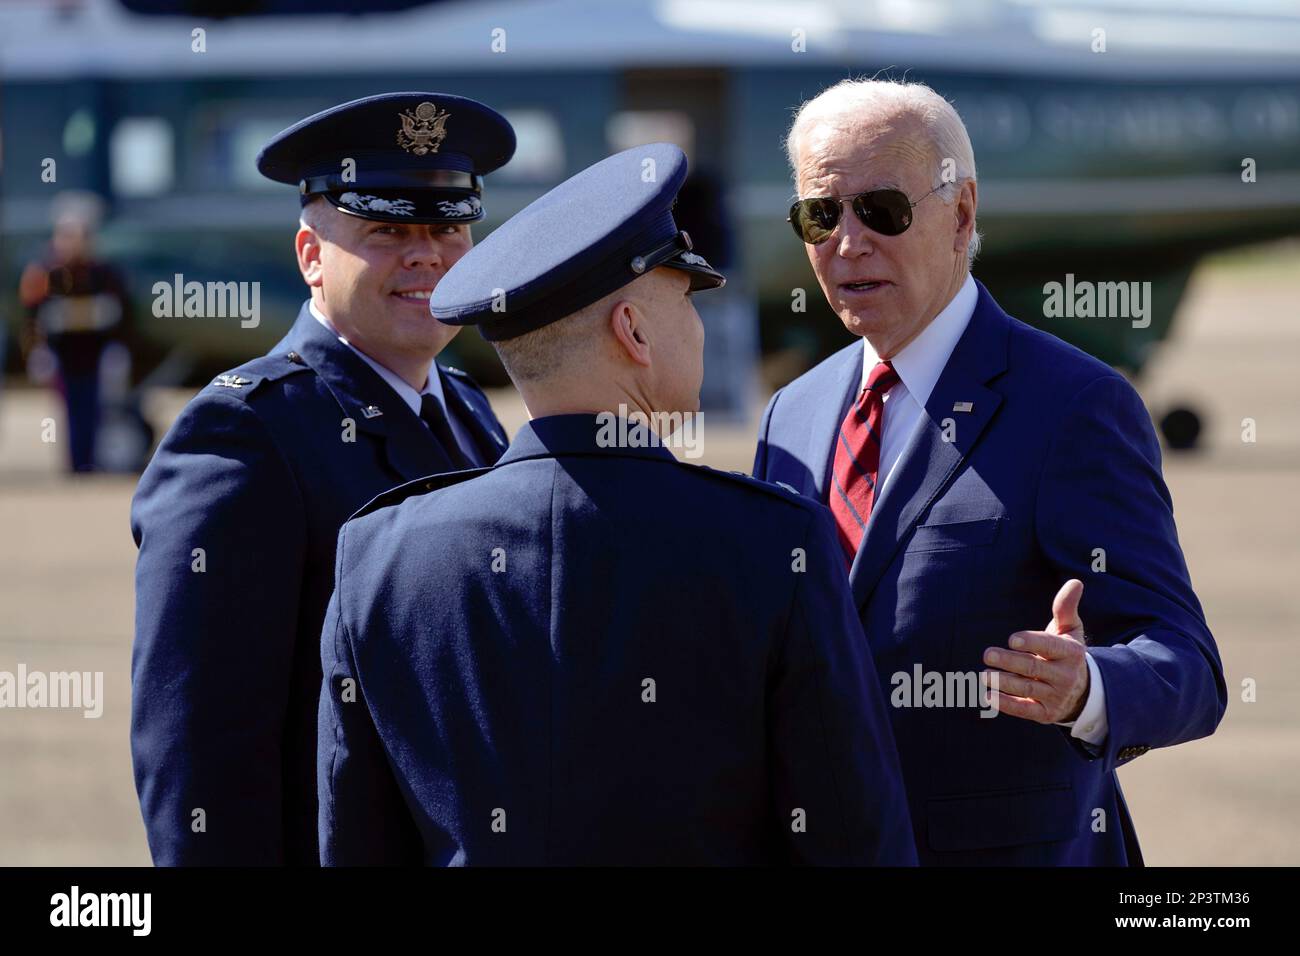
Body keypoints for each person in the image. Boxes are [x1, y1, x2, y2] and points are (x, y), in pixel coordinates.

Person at [318, 143, 916, 866]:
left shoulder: (382, 553)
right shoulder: (771, 541)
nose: (696, 328)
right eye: (685, 300)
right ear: (633, 331)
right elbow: (851, 838)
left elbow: (356, 842)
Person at [753, 78, 1227, 864]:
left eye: (882, 211)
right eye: (820, 214)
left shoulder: (1074, 404)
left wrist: (1087, 688)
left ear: (962, 212)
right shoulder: (792, 413)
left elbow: (1189, 668)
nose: (848, 242)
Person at [131, 92, 515, 865]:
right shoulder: (245, 433)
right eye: (387, 230)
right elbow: (198, 747)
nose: (427, 255)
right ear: (311, 256)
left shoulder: (469, 412)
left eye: (447, 227)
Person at [19, 191, 131, 473]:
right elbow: (31, 315)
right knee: (69, 411)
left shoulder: (103, 273)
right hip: (62, 356)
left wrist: (116, 348)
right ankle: (73, 465)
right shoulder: (43, 273)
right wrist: (37, 350)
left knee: (93, 410)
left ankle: (90, 463)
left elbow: (122, 313)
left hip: (93, 354)